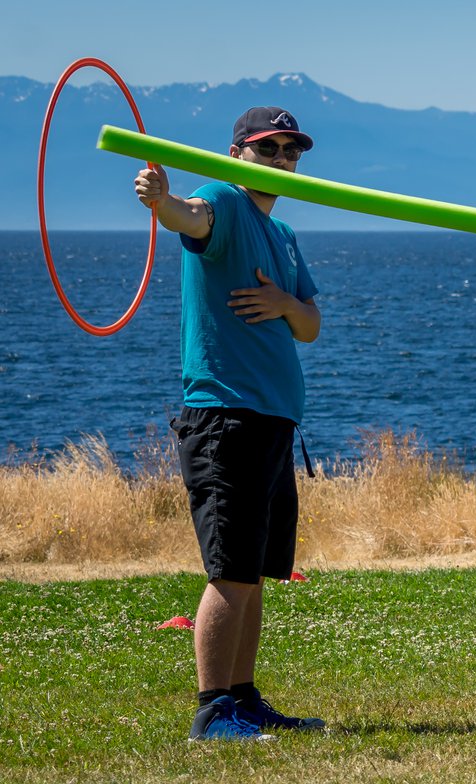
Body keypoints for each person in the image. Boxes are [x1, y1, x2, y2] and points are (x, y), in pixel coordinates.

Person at [134, 106, 326, 741]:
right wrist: (162, 200)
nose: (283, 161)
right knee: (231, 572)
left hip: (273, 421)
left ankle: (244, 699)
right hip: (227, 417)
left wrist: (283, 303)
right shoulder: (223, 197)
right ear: (237, 152)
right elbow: (191, 216)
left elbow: (310, 326)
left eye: (291, 152)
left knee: (256, 573)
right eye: (269, 150)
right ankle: (213, 711)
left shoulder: (286, 235)